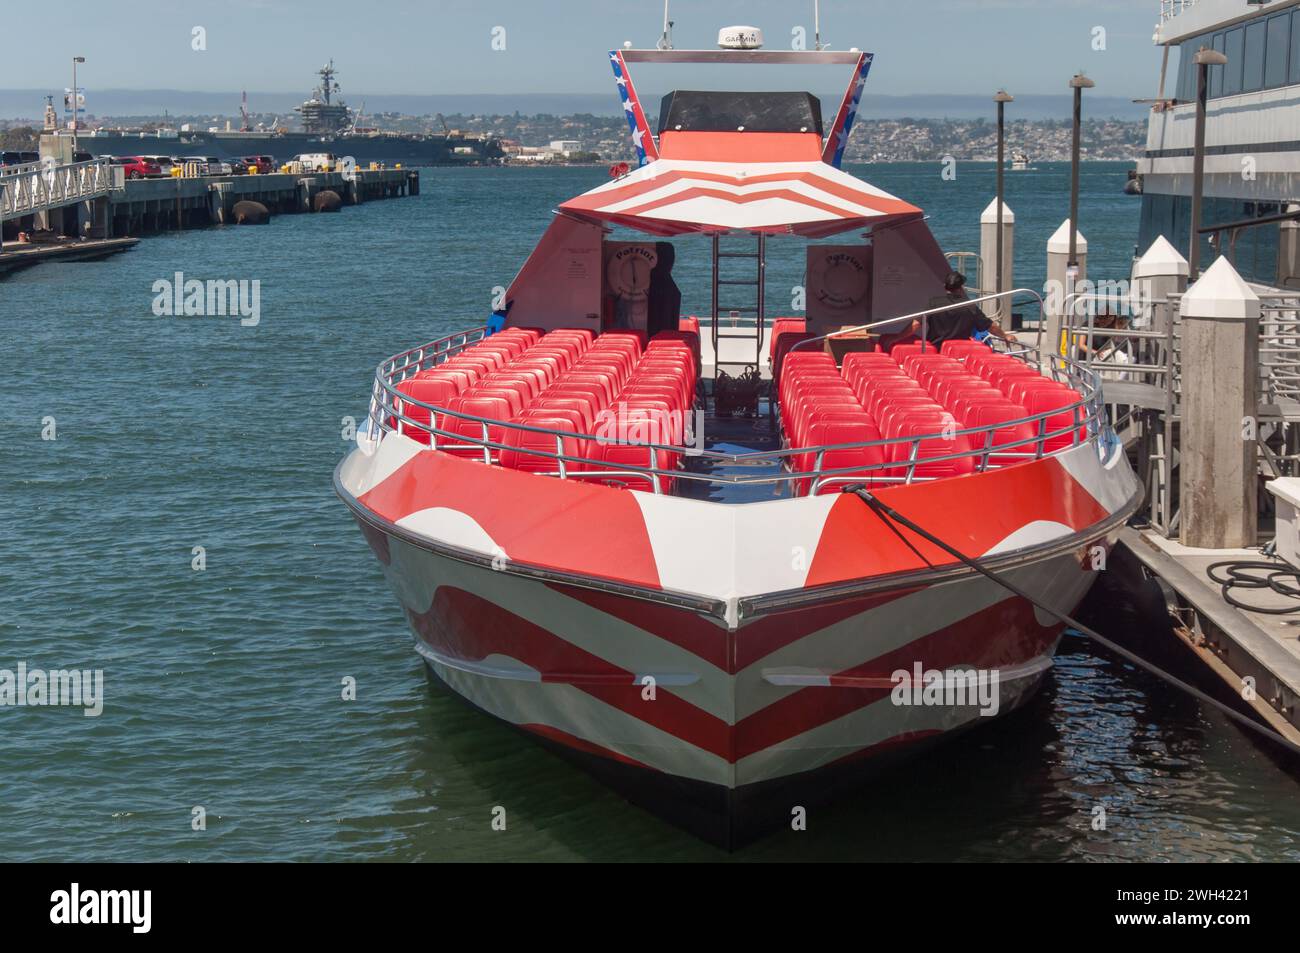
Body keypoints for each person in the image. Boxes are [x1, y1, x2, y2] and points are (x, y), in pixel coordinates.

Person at [917, 271, 1011, 346]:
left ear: (945, 287)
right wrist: (1005, 336)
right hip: (959, 350)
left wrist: (901, 337)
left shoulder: (933, 303)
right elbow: (990, 327)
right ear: (961, 288)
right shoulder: (969, 306)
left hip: (936, 349)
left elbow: (915, 324)